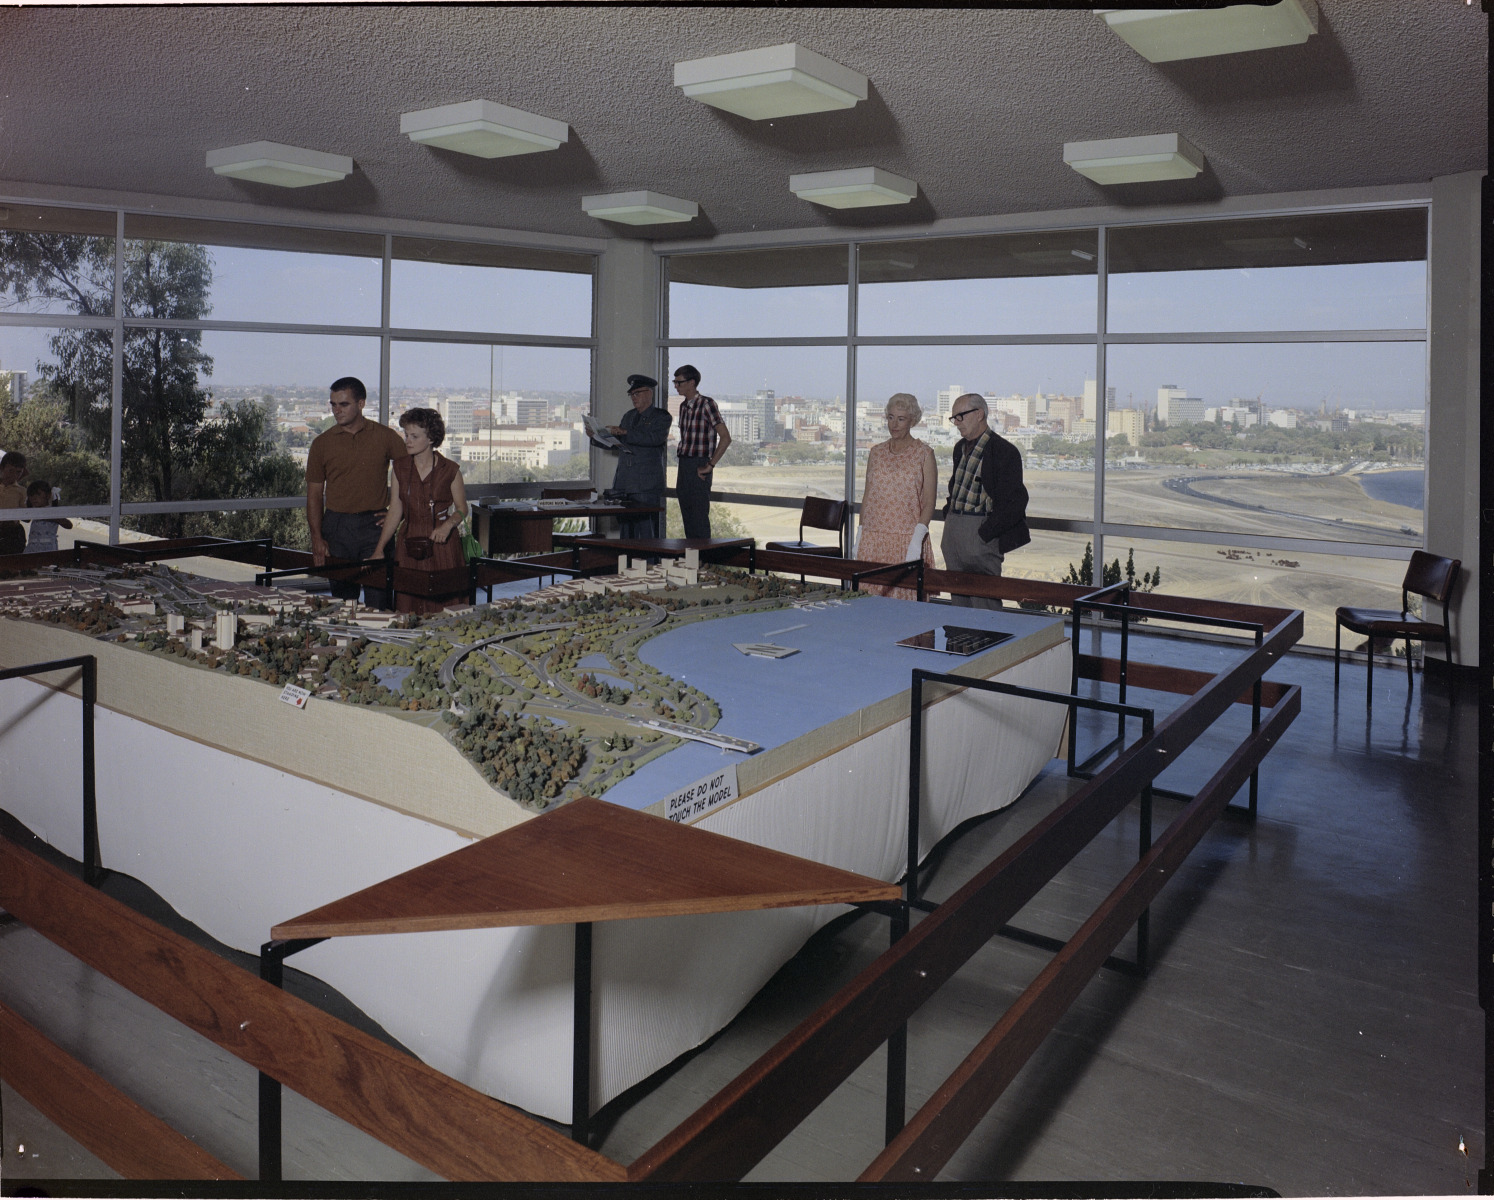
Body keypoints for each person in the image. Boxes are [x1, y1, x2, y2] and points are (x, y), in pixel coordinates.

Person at [305, 377, 407, 607]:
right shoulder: (321, 444)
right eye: (333, 404)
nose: (336, 410)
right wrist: (317, 537)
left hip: (375, 528)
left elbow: (411, 477)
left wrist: (397, 512)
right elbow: (313, 495)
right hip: (337, 528)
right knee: (342, 602)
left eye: (343, 404)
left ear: (361, 404)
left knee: (379, 602)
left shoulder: (385, 437)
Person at [372, 407, 469, 615]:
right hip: (409, 544)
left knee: (444, 608)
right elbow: (395, 511)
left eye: (414, 436)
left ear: (431, 438)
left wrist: (447, 526)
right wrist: (379, 549)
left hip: (442, 546)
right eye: (406, 435)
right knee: (409, 607)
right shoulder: (399, 468)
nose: (407, 440)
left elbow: (462, 509)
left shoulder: (450, 470)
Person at [940, 393, 1030, 609]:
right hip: (954, 533)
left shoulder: (1004, 451)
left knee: (985, 602)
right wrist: (950, 518)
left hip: (980, 533)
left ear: (979, 414)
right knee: (958, 599)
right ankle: (959, 642)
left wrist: (985, 533)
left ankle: (987, 644)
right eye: (954, 418)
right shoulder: (959, 448)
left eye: (960, 416)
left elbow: (1015, 502)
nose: (957, 423)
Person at [857, 393, 938, 600]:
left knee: (905, 609)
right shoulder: (876, 453)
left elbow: (929, 502)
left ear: (913, 420)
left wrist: (916, 541)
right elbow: (868, 496)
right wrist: (860, 534)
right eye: (891, 417)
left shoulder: (924, 454)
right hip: (873, 541)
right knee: (868, 606)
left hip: (907, 542)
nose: (894, 424)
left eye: (901, 419)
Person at [604, 374, 672, 540]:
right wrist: (598, 437)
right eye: (631, 395)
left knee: (647, 535)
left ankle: (650, 566)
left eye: (637, 393)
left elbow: (654, 439)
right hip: (624, 485)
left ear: (649, 393)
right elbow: (619, 443)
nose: (633, 398)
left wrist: (626, 432)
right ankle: (626, 566)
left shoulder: (661, 417)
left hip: (645, 486)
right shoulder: (629, 416)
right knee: (626, 535)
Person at [671, 364, 731, 539]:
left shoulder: (707, 404)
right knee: (687, 518)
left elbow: (725, 438)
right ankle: (692, 562)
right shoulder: (683, 407)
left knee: (699, 518)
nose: (676, 386)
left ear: (692, 382)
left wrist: (710, 465)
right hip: (684, 464)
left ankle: (704, 561)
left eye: (679, 382)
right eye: (675, 382)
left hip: (700, 464)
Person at [24, 480, 72, 553]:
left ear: (48, 495)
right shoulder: (33, 512)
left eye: (38, 494)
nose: (34, 498)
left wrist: (51, 518)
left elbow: (69, 525)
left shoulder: (52, 511)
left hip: (48, 547)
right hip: (32, 547)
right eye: (31, 495)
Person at [0, 453, 28, 556]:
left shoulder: (22, 491)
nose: (14, 475)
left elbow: (27, 517)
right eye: (10, 470)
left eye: (18, 472)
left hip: (12, 534)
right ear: (2, 468)